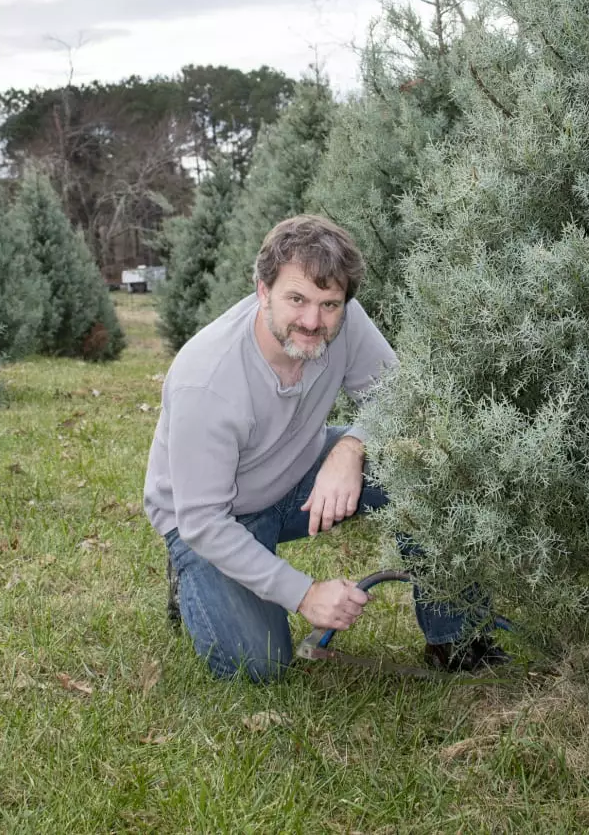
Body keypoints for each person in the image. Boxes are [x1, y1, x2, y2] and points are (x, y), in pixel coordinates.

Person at [144, 215, 506, 682]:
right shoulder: (207, 380)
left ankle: (457, 640)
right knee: (259, 665)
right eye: (297, 299)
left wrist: (351, 447)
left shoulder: (345, 321)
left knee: (430, 463)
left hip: (297, 472)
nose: (313, 321)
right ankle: (189, 575)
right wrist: (305, 592)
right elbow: (203, 519)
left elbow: (397, 396)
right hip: (213, 519)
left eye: (329, 305)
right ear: (263, 290)